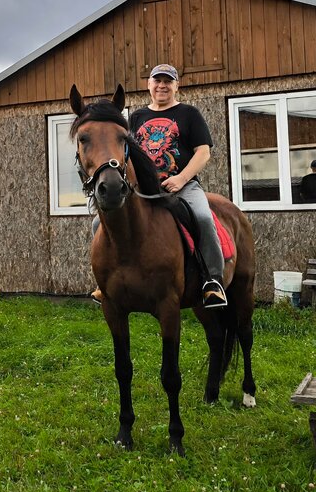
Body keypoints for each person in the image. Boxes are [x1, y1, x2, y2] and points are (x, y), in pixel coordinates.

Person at [90, 64, 227, 309]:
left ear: (176, 86)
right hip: (143, 190)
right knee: (98, 223)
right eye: (157, 81)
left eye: (168, 81)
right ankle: (106, 281)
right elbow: (126, 154)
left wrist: (181, 178)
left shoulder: (189, 114)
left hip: (183, 186)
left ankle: (212, 280)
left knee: (203, 217)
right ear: (149, 85)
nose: (162, 86)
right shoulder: (136, 117)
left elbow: (203, 152)